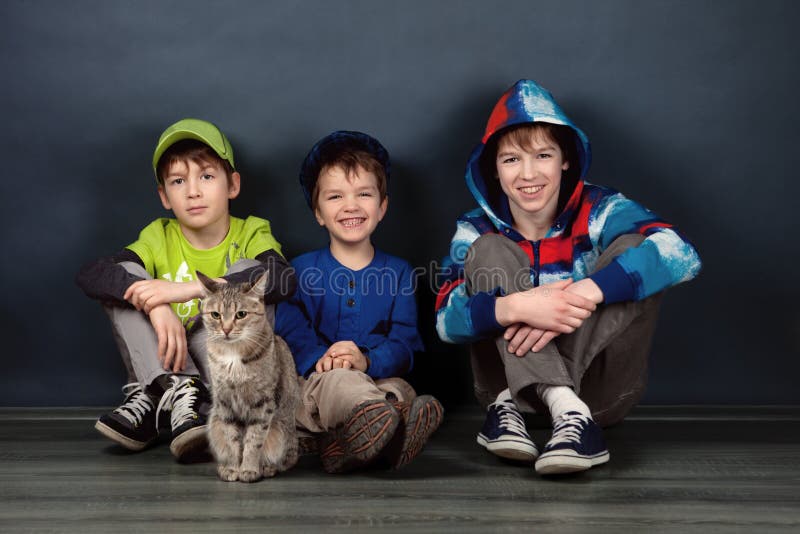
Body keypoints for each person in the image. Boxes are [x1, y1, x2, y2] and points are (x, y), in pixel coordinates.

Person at [435, 80, 701, 475]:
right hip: (504, 399)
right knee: (488, 251)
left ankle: (572, 411)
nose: (528, 174)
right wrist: (515, 306)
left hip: (598, 397)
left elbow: (680, 254)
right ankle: (564, 408)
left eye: (542, 155)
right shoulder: (474, 229)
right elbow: (445, 321)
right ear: (493, 168)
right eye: (511, 160)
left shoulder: (601, 209)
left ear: (565, 159)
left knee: (634, 249)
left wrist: (589, 290)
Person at [76, 118, 295, 460]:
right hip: (165, 370)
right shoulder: (159, 235)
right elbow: (92, 274)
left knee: (250, 273)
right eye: (179, 181)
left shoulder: (251, 233)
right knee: (126, 277)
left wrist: (185, 290)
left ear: (232, 185)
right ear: (164, 195)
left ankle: (196, 405)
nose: (193, 191)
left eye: (207, 177)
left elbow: (285, 279)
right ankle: (162, 395)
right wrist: (155, 305)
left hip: (227, 382)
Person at [276, 131, 443, 474]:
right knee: (340, 385)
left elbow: (405, 344)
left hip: (375, 378)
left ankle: (351, 443)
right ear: (318, 212)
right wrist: (327, 360)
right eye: (335, 196)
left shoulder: (399, 273)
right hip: (319, 383)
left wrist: (366, 361)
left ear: (381, 207)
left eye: (364, 194)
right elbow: (291, 333)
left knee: (401, 390)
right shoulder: (300, 271)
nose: (351, 205)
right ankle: (383, 434)